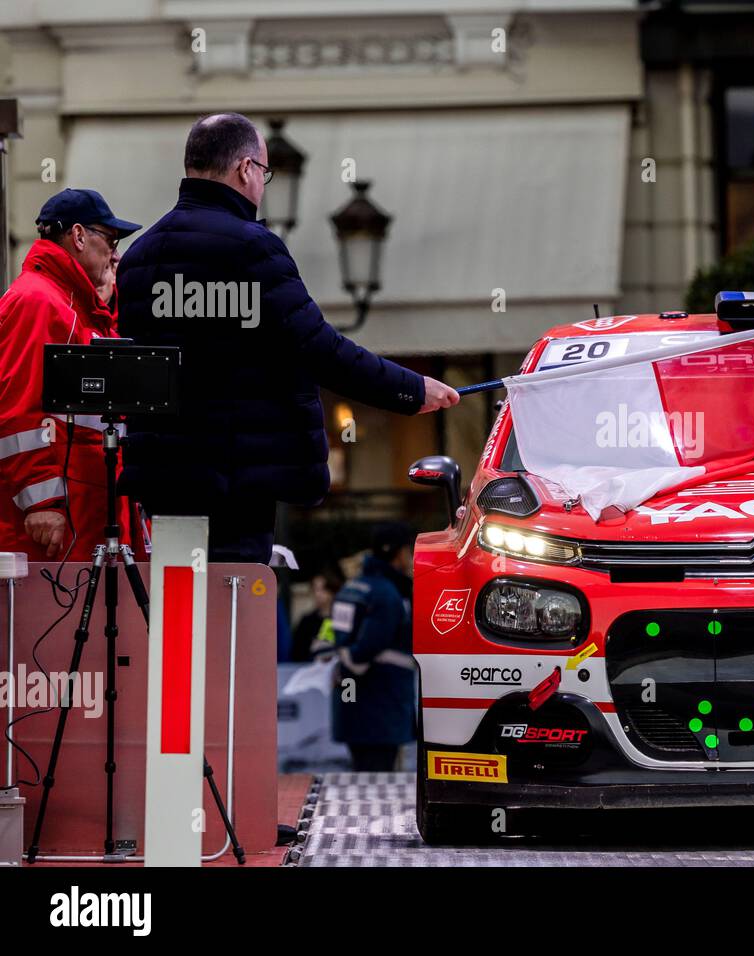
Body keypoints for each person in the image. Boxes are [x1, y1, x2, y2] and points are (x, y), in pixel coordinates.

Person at [116, 112, 459, 563]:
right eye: (264, 173)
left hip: (164, 480)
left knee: (179, 607)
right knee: (234, 608)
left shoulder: (140, 256)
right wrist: (412, 388)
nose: (262, 186)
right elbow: (318, 349)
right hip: (239, 480)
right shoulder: (251, 247)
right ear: (245, 169)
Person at [0, 189, 140, 560]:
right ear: (78, 236)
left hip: (79, 515)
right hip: (57, 524)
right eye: (109, 240)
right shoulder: (39, 302)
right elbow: (20, 411)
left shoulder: (66, 303)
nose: (115, 254)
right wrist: (41, 500)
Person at [325, 523, 418, 772]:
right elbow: (365, 650)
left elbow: (337, 639)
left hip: (357, 704)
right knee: (378, 776)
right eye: (409, 551)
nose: (411, 558)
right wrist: (352, 658)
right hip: (380, 707)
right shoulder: (387, 595)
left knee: (363, 770)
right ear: (398, 553)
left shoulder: (351, 588)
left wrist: (345, 659)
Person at [290, 565, 343, 662]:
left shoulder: (342, 619)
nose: (318, 594)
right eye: (315, 589)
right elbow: (297, 653)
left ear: (332, 590)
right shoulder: (307, 621)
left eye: (323, 589)